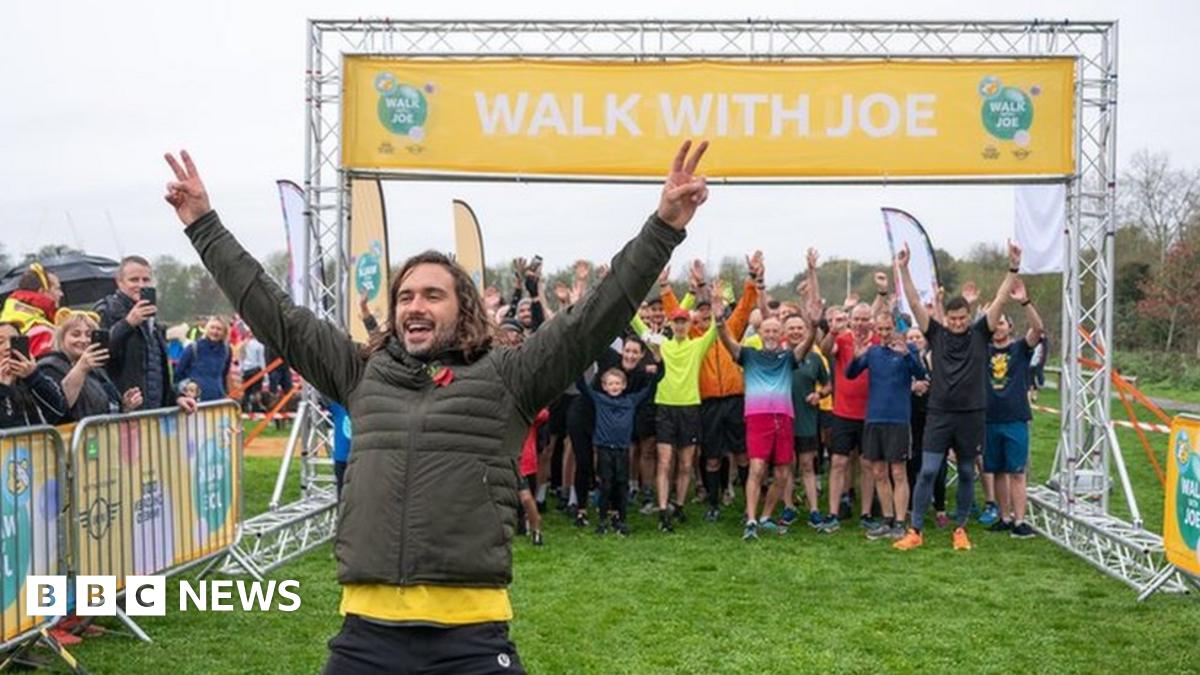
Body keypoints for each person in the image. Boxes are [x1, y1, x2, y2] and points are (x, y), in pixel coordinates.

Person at [164, 140, 710, 673]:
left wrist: (663, 227)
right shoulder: (360, 371)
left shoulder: (510, 375)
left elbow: (593, 315)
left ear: (462, 306)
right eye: (405, 296)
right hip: (366, 635)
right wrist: (203, 224)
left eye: (432, 295)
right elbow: (274, 313)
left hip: (471, 637)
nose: (415, 305)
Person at [894, 239, 1022, 551]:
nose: (957, 323)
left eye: (962, 318)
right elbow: (913, 302)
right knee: (927, 471)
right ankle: (915, 530)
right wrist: (904, 269)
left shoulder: (980, 333)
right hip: (939, 414)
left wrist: (1013, 268)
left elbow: (1002, 300)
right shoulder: (936, 334)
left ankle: (961, 529)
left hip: (972, 414)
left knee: (967, 471)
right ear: (946, 319)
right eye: (953, 319)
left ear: (968, 317)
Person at [661, 255, 761, 522]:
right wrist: (665, 288)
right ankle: (714, 504)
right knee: (712, 456)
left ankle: (746, 504)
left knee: (742, 454)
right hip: (708, 403)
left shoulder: (732, 328)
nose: (706, 314)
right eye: (702, 310)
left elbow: (745, 305)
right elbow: (675, 315)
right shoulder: (694, 336)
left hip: (734, 399)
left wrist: (751, 278)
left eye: (710, 309)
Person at [718, 304, 816, 540]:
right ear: (759, 334)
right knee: (758, 468)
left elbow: (808, 343)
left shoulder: (788, 357)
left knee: (783, 472)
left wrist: (813, 324)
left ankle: (766, 516)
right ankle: (751, 519)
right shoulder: (749, 355)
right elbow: (726, 341)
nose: (771, 335)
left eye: (774, 331)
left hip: (783, 418)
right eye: (767, 331)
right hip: (757, 418)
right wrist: (719, 320)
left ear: (780, 334)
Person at [846, 313, 927, 540]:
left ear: (895, 328)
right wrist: (855, 356)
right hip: (874, 419)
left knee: (898, 471)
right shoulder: (872, 352)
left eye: (887, 329)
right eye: (880, 329)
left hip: (898, 420)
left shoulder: (907, 349)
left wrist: (907, 357)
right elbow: (850, 374)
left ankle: (901, 522)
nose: (883, 334)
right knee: (879, 471)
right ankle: (888, 518)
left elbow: (921, 374)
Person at [645, 304, 717, 532]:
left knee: (686, 463)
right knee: (665, 461)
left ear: (689, 324)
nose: (679, 325)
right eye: (676, 322)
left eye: (683, 321)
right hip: (665, 406)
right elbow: (638, 325)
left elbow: (717, 328)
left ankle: (679, 505)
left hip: (690, 408)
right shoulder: (661, 344)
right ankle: (663, 509)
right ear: (670, 324)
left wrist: (717, 302)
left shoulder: (697, 345)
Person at [95, 255, 196, 413]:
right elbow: (99, 356)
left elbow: (157, 369)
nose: (141, 285)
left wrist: (175, 397)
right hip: (123, 411)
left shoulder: (152, 320)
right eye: (134, 280)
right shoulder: (106, 310)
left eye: (146, 280)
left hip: (153, 413)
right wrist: (127, 323)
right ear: (119, 281)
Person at [984, 279, 1044, 539]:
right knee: (996, 471)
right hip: (989, 419)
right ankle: (1004, 516)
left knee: (1017, 472)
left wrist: (1024, 301)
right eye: (994, 322)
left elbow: (1038, 329)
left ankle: (1020, 521)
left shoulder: (1019, 348)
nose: (997, 327)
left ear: (1010, 327)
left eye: (1001, 322)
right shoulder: (982, 350)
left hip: (1015, 418)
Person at [576, 366, 660, 536]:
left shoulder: (631, 400)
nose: (614, 386)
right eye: (610, 383)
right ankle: (601, 520)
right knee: (605, 484)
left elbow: (651, 388)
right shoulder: (599, 399)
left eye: (617, 383)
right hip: (604, 449)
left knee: (622, 484)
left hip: (622, 450)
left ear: (624, 385)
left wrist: (656, 370)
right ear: (604, 386)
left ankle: (620, 519)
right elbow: (582, 386)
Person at [36, 311, 144, 421]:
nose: (83, 340)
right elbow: (60, 406)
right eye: (76, 334)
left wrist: (125, 406)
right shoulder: (49, 367)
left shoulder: (96, 369)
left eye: (88, 335)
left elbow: (105, 407)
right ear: (62, 338)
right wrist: (81, 368)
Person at [905, 327, 949, 529]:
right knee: (913, 462)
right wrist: (911, 387)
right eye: (910, 337)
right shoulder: (904, 359)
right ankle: (913, 507)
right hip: (911, 418)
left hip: (936, 417)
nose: (915, 341)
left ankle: (940, 508)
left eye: (918, 337)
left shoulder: (935, 358)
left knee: (938, 465)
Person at [0, 321, 66, 428]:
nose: (8, 347)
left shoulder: (33, 376)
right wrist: (3, 389)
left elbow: (59, 411)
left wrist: (33, 376)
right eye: (0, 342)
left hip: (39, 443)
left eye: (13, 341)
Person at [0, 263, 63, 358]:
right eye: (57, 289)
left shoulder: (8, 314)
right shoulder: (42, 331)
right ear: (42, 292)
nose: (61, 294)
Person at [175, 316, 234, 402]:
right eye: (212, 328)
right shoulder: (193, 348)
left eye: (219, 329)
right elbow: (178, 374)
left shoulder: (227, 351)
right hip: (195, 400)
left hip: (218, 398)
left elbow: (224, 375)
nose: (215, 331)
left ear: (224, 332)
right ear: (207, 329)